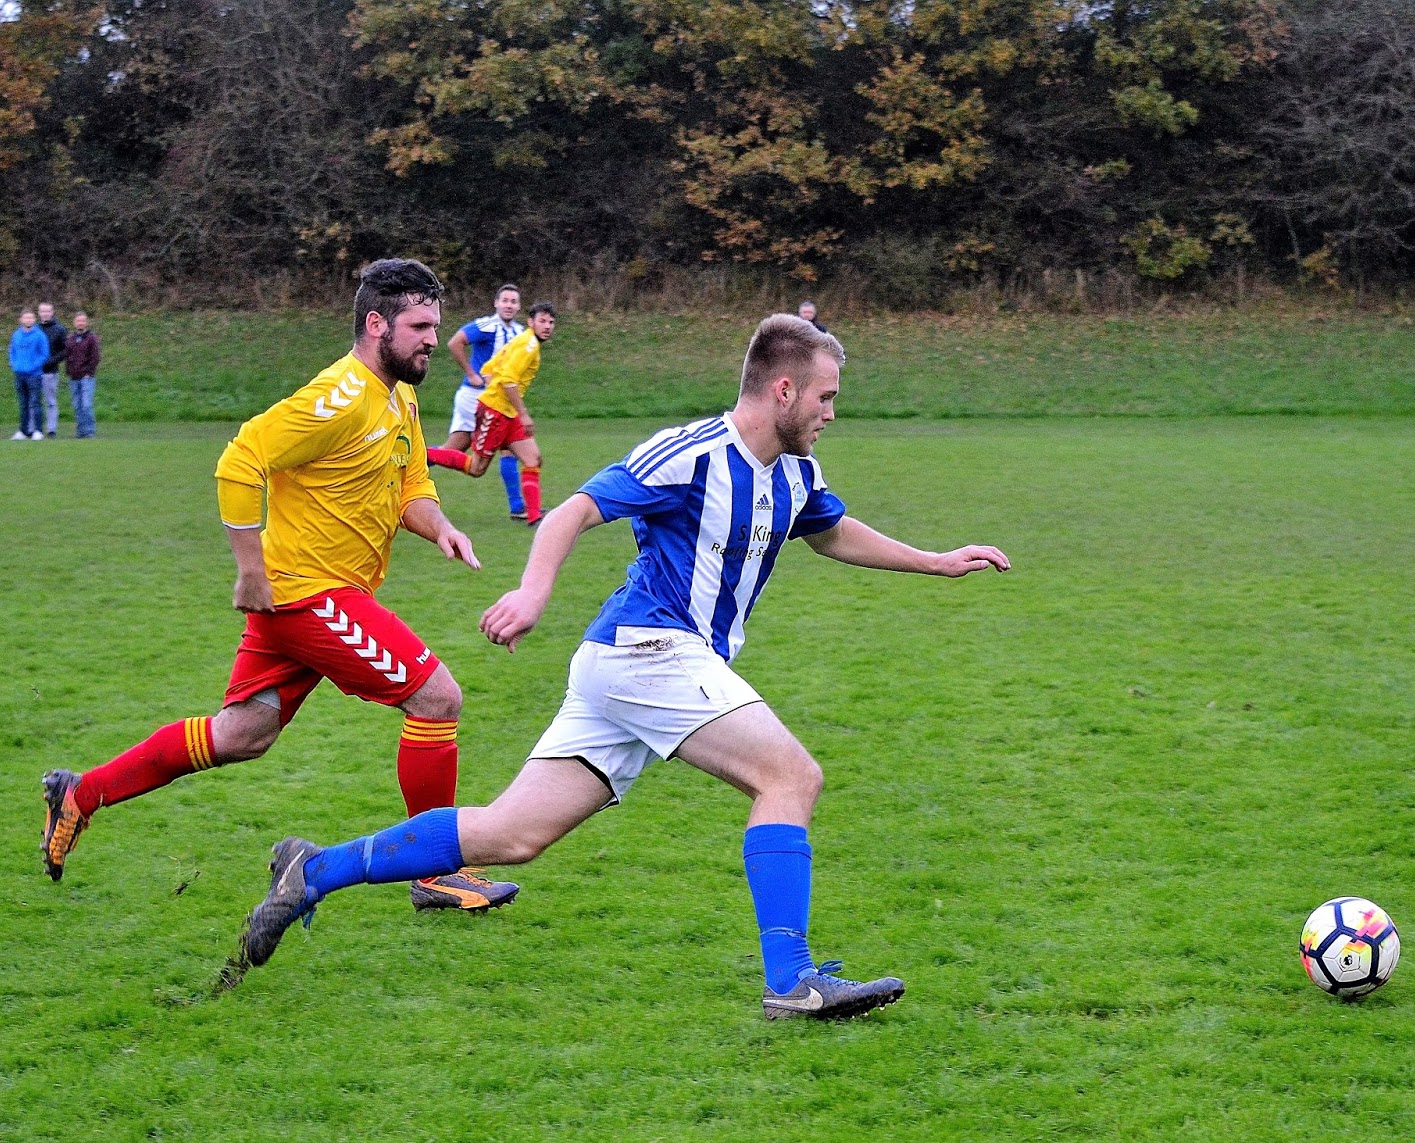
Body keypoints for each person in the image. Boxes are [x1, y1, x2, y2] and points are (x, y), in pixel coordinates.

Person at [232, 314, 1011, 1021]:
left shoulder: (797, 474)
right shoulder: (691, 453)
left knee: (512, 834)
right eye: (826, 397)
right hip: (647, 650)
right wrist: (533, 592)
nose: (830, 414)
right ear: (784, 388)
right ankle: (793, 979)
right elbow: (572, 510)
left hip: (639, 669)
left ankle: (315, 868)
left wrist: (936, 563)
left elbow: (832, 531)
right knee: (791, 776)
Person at [39, 258, 520, 915]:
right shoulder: (341, 396)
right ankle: (436, 871)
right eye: (420, 325)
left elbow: (412, 485)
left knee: (242, 733)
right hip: (307, 593)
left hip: (316, 593)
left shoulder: (399, 394)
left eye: (435, 324)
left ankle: (80, 794)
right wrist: (250, 569)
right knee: (437, 697)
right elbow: (242, 456)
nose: (433, 338)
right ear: (376, 324)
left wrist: (439, 527)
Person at [426, 302, 555, 525]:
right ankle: (422, 454)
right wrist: (523, 413)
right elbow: (507, 380)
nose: (547, 326)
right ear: (531, 322)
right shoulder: (528, 346)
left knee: (533, 459)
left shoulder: (524, 339)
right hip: (495, 413)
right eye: (542, 321)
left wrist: (489, 378)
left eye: (551, 322)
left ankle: (534, 517)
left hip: (506, 412)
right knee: (476, 468)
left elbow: (491, 366)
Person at [443, 284, 527, 520]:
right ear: (496, 303)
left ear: (518, 307)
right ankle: (518, 507)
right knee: (507, 447)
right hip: (476, 398)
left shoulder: (519, 333)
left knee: (455, 448)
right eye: (505, 301)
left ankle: (413, 464)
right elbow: (455, 342)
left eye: (513, 301)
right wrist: (472, 373)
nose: (509, 305)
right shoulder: (487, 326)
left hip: (493, 400)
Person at [7, 310, 49, 440]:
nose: (28, 320)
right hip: (19, 374)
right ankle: (23, 431)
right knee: (23, 404)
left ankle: (38, 431)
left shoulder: (39, 335)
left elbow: (44, 354)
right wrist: (15, 365)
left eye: (31, 318)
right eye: (26, 318)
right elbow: (12, 351)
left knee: (35, 402)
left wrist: (32, 367)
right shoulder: (16, 335)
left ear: (34, 320)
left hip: (34, 375)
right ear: (21, 320)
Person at [65, 311, 101, 438]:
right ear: (74, 322)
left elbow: (95, 357)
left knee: (86, 405)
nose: (80, 323)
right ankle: (80, 432)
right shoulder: (70, 338)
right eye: (78, 320)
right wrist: (69, 371)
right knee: (77, 405)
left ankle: (90, 431)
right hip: (73, 377)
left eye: (83, 320)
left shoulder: (92, 338)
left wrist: (89, 372)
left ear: (86, 322)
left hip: (86, 377)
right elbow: (67, 356)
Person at [37, 302, 67, 437]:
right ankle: (34, 429)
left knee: (50, 401)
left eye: (47, 311)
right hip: (34, 372)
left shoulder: (60, 329)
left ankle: (51, 430)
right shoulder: (35, 329)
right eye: (42, 311)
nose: (45, 314)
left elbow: (65, 351)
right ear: (39, 313)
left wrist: (51, 361)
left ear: (52, 312)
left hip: (50, 372)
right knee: (34, 401)